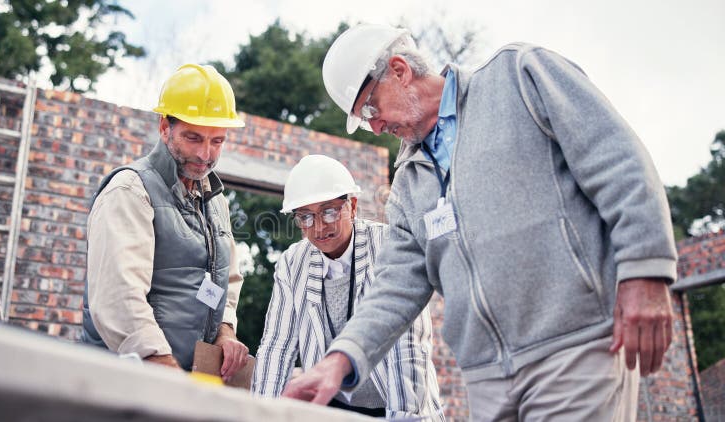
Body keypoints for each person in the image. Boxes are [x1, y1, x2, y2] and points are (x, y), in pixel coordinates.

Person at [282, 23, 678, 421]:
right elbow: (394, 286)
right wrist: (341, 359)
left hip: (573, 349)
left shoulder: (519, 77)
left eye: (370, 108)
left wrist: (646, 270)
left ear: (400, 70)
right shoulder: (409, 183)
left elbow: (617, 161)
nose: (376, 126)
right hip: (488, 381)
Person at [81, 64, 250, 381]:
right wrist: (167, 374)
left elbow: (225, 281)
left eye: (217, 141)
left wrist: (225, 331)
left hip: (181, 381)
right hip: (125, 381)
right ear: (164, 128)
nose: (205, 154)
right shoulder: (130, 191)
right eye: (193, 137)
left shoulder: (215, 201)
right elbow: (119, 298)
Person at [252, 155, 443, 419]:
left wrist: (404, 417)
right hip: (333, 409)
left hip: (394, 404)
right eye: (305, 217)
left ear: (352, 206)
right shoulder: (292, 263)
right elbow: (277, 346)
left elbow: (407, 345)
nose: (318, 226)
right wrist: (262, 414)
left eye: (329, 211)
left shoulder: (389, 246)